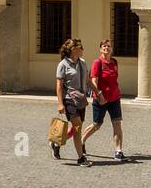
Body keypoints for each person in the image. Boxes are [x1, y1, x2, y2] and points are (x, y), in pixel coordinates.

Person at [83, 39, 127, 161]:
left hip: (114, 98)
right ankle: (82, 140)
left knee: (117, 123)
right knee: (97, 125)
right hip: (101, 99)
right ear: (100, 48)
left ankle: (118, 151)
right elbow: (94, 81)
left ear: (112, 49)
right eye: (104, 46)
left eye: (108, 46)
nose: (106, 48)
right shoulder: (97, 63)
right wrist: (99, 95)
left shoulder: (114, 62)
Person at [52, 38, 92, 167]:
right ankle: (81, 158)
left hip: (81, 99)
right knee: (78, 126)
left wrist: (98, 93)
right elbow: (59, 85)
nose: (83, 50)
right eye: (80, 47)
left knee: (76, 128)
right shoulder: (63, 64)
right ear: (73, 50)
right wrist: (60, 103)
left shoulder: (83, 63)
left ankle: (56, 143)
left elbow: (88, 80)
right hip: (69, 99)